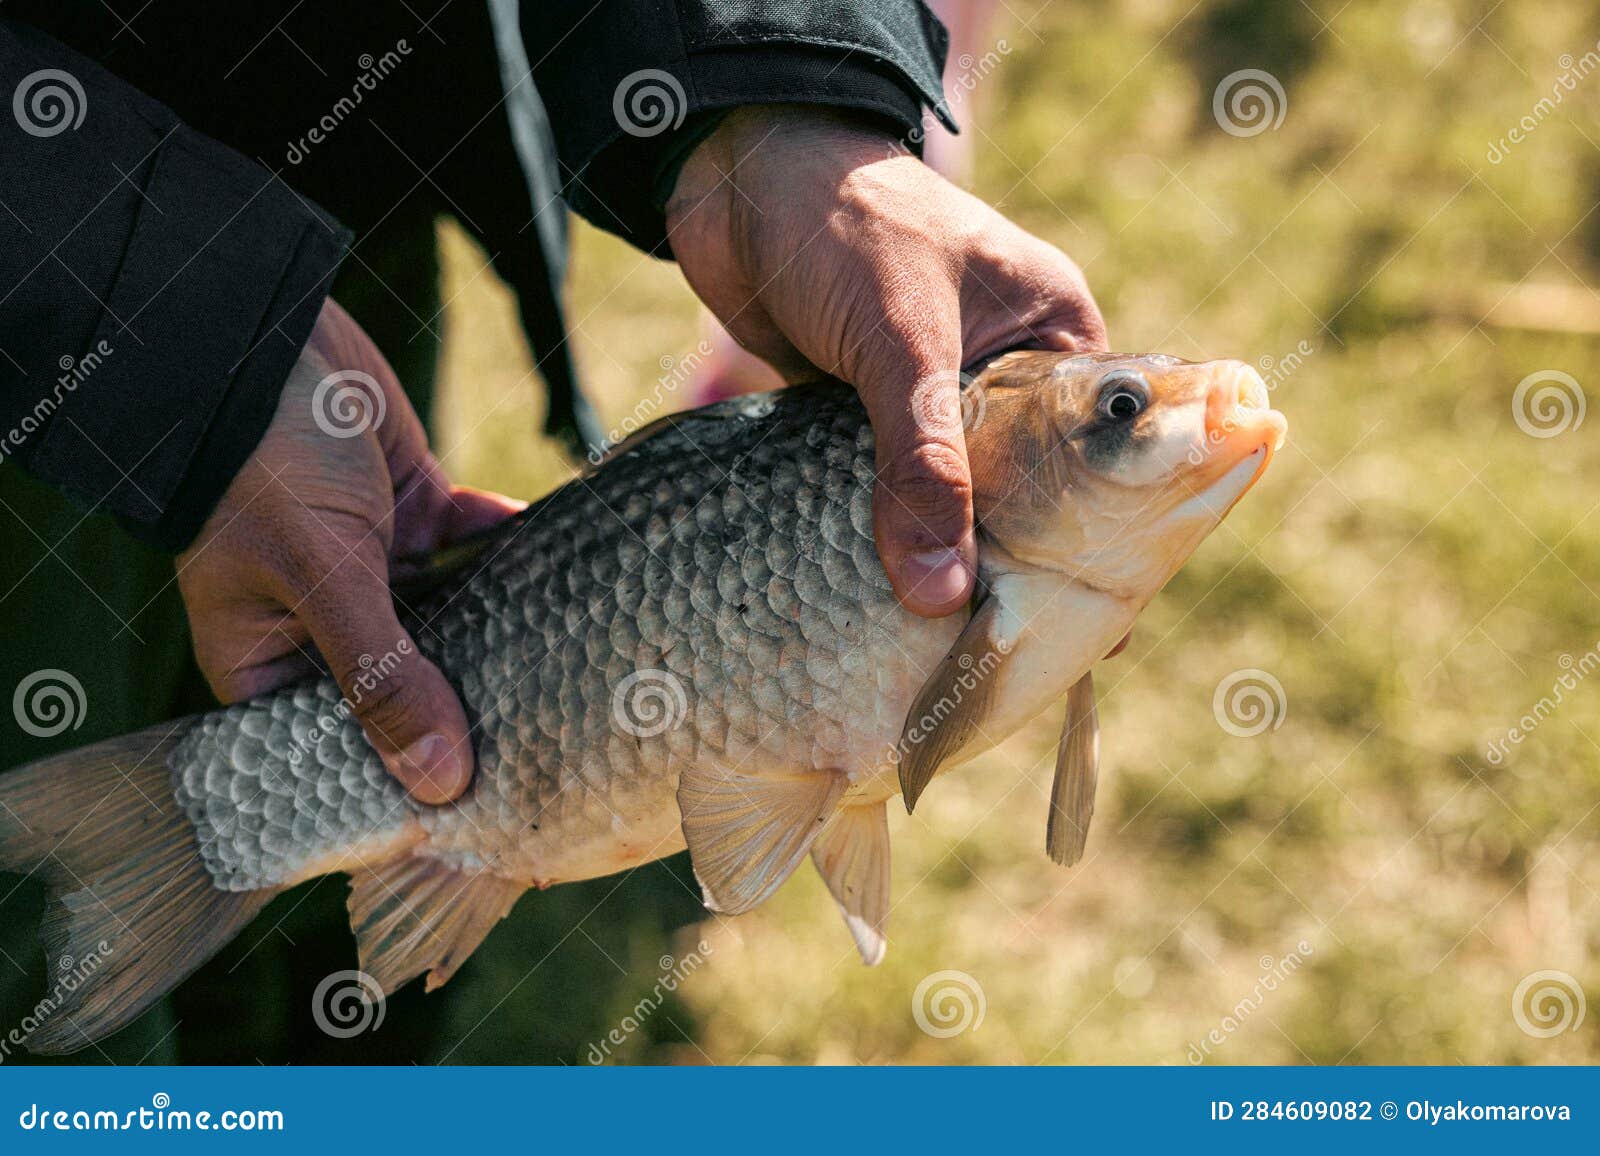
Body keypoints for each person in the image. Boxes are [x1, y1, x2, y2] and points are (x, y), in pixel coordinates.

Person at [0, 2, 1102, 1061]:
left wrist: (778, 80)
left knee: (330, 969)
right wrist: (185, 327)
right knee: (36, 989)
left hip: (346, 144)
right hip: (35, 309)